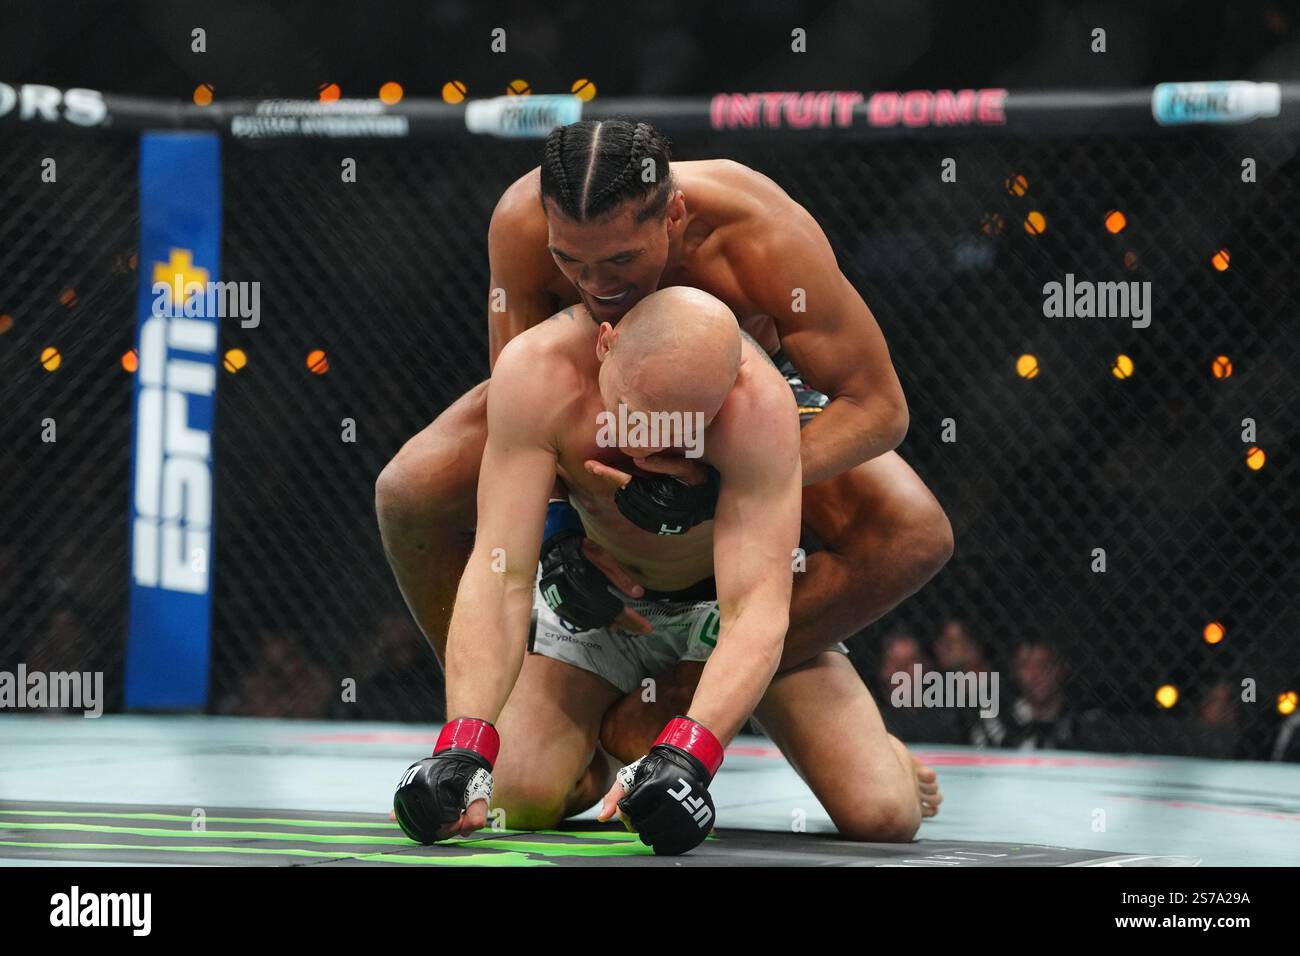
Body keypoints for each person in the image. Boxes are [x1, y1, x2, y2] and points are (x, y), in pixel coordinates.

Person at [375, 119, 953, 759]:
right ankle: (493, 724)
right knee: (409, 491)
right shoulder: (520, 224)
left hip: (738, 414)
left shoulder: (759, 232)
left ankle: (686, 695)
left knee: (912, 532)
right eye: (571, 262)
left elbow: (878, 409)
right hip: (591, 398)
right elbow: (517, 396)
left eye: (622, 258)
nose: (596, 284)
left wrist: (727, 487)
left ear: (673, 214)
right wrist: (556, 530)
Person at [393, 287, 939, 855]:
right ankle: (598, 756)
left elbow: (756, 611)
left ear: (724, 395)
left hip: (720, 618)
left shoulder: (761, 407)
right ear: (606, 345)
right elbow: (499, 570)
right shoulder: (539, 372)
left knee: (884, 815)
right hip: (601, 620)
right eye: (637, 414)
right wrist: (463, 744)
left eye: (678, 428)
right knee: (517, 800)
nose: (648, 444)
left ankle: (874, 746)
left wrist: (688, 758)